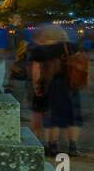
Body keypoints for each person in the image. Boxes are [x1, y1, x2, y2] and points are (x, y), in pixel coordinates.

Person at [30, 25, 85, 156]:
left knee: (52, 118)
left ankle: (53, 147)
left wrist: (36, 87)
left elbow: (36, 70)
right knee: (73, 117)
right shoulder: (71, 47)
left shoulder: (40, 50)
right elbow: (82, 64)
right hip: (70, 86)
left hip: (50, 86)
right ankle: (73, 147)